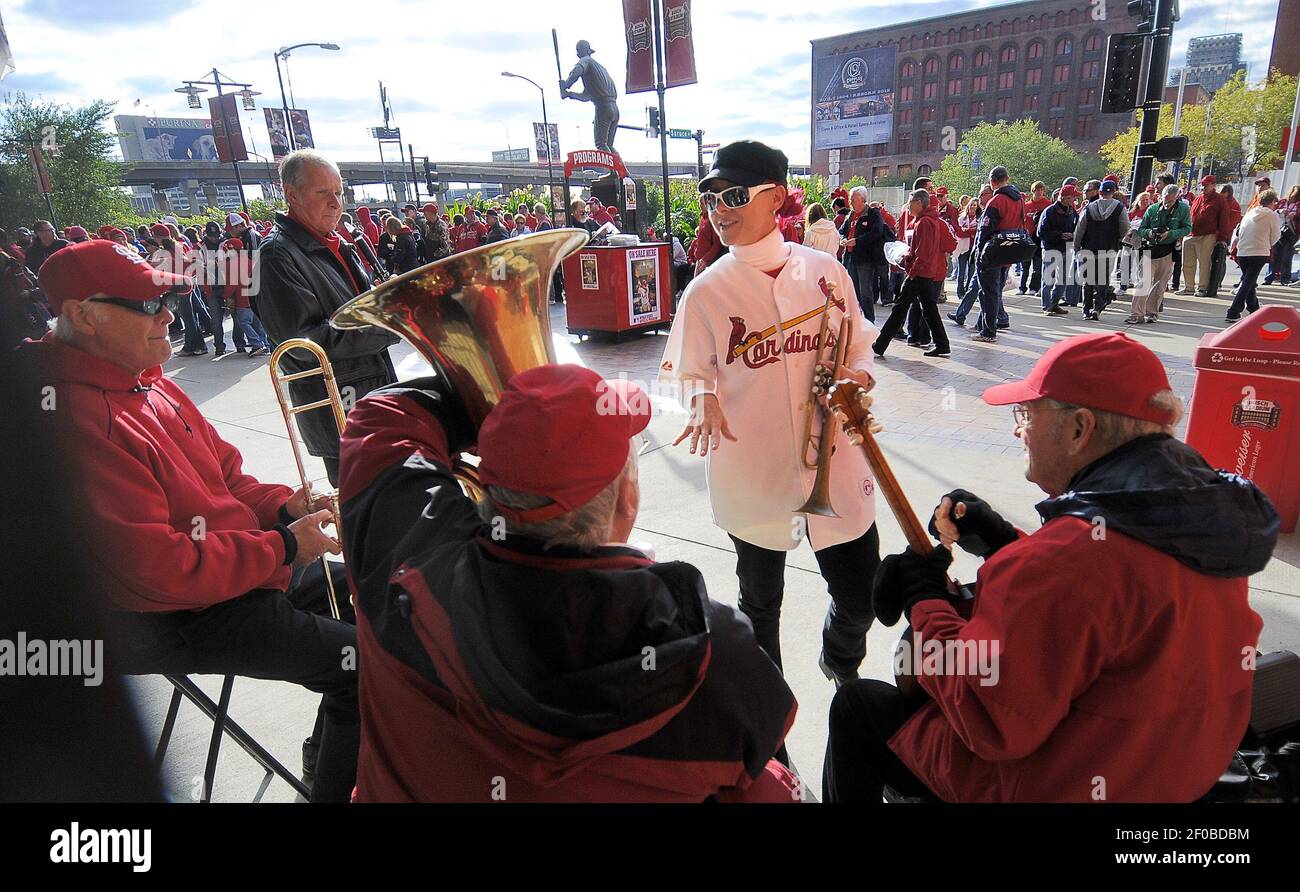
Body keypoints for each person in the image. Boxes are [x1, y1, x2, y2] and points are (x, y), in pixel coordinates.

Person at [824, 331, 1276, 802]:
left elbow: (988, 718)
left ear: (1080, 429)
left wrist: (925, 600)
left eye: (1026, 415)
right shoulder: (1197, 517)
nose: (1017, 430)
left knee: (857, 707)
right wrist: (1002, 543)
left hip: (1072, 782)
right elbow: (1098, 600)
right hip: (1173, 767)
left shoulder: (1063, 562)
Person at [338, 363, 798, 801]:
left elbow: (382, 415)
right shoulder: (715, 647)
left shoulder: (405, 549)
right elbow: (760, 777)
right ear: (628, 500)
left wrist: (516, 422)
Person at [20, 240, 361, 801]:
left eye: (167, 299)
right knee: (363, 671)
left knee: (376, 597)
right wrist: (280, 547)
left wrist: (286, 507)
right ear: (82, 314)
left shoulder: (151, 380)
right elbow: (160, 571)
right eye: (146, 304)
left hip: (230, 576)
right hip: (168, 616)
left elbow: (229, 480)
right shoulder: (73, 416)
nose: (168, 315)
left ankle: (331, 757)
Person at [659, 140, 882, 687]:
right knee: (760, 606)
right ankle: (771, 723)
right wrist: (702, 398)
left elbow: (860, 351)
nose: (719, 208)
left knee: (861, 597)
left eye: (734, 194)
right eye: (710, 196)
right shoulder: (705, 290)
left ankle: (840, 658)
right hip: (752, 466)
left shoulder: (827, 271)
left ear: (777, 198)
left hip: (838, 460)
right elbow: (686, 371)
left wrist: (858, 377)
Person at [254, 149, 399, 487]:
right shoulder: (275, 256)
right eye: (323, 193)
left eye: (339, 192)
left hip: (369, 397)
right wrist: (389, 325)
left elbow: (354, 312)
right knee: (369, 510)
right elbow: (302, 346)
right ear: (292, 195)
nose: (336, 203)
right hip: (340, 411)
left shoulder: (337, 244)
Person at [872, 189, 954, 358]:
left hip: (920, 273)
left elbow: (923, 253)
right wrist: (909, 258)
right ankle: (942, 344)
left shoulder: (924, 222)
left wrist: (912, 270)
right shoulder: (930, 221)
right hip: (925, 272)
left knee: (900, 308)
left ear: (918, 203)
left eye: (910, 203)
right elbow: (922, 250)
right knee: (928, 310)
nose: (908, 207)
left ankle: (880, 345)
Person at [971, 166, 1026, 343]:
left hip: (992, 253)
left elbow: (985, 230)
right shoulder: (1019, 200)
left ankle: (988, 331)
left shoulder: (996, 201)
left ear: (992, 181)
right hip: (1007, 252)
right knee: (992, 292)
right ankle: (984, 326)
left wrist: (980, 253)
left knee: (989, 292)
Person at [1130, 184, 1191, 324]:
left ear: (1177, 198)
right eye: (1164, 199)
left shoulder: (1183, 209)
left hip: (1168, 251)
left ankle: (1151, 313)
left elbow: (1187, 228)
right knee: (1142, 282)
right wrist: (1150, 233)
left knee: (1160, 285)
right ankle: (1136, 313)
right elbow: (1142, 228)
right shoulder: (1152, 209)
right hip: (1150, 249)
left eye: (1170, 201)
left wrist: (1171, 234)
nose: (1166, 203)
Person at [1073, 179, 1129, 321]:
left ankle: (1086, 309)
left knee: (1088, 280)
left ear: (1100, 192)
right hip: (1109, 248)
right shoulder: (1119, 208)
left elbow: (1080, 229)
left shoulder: (1089, 208)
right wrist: (1119, 240)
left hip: (1089, 247)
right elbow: (1125, 229)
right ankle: (1097, 308)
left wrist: (1076, 245)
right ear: (1113, 192)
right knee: (1103, 279)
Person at [1226, 189, 1282, 323]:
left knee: (1248, 281)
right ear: (1272, 202)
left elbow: (1241, 231)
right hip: (1259, 251)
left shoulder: (1250, 213)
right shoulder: (1272, 215)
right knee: (1247, 282)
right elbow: (1276, 235)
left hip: (1243, 252)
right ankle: (1233, 311)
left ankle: (1253, 307)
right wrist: (1267, 244)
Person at [560, 39, 620, 154]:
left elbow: (576, 71)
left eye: (579, 51)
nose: (578, 54)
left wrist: (566, 84)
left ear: (582, 51)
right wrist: (569, 94)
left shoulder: (586, 61)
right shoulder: (598, 70)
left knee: (601, 144)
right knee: (609, 145)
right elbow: (585, 96)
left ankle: (614, 171)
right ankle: (622, 172)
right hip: (614, 109)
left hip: (603, 107)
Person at [837, 187, 888, 323]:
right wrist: (843, 238)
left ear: (862, 199)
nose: (851, 202)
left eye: (853, 199)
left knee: (865, 291)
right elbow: (842, 230)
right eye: (851, 199)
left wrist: (857, 241)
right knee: (853, 292)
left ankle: (869, 320)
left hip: (865, 259)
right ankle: (856, 319)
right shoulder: (850, 215)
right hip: (850, 258)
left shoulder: (872, 214)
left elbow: (876, 232)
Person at [1178, 175, 1228, 296]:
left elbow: (1224, 220)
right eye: (1202, 185)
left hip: (1208, 235)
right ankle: (1189, 286)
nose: (1203, 187)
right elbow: (1191, 215)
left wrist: (1221, 238)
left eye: (1206, 185)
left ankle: (1202, 287)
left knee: (1204, 263)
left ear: (1213, 185)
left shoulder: (1220, 200)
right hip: (1192, 233)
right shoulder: (1198, 199)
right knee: (1187, 262)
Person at [221, 238, 271, 355]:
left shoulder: (231, 264)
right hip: (256, 297)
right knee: (257, 324)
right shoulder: (250, 261)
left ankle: (257, 344)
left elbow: (231, 284)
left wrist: (227, 296)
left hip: (243, 298)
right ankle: (265, 345)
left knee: (243, 322)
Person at [1036, 184, 1080, 317]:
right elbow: (1041, 232)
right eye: (1073, 197)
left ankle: (1054, 303)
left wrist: (1073, 235)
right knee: (1048, 279)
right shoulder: (1049, 211)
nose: (1074, 200)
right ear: (1066, 197)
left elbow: (1077, 227)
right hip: (1051, 248)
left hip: (1067, 248)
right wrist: (1060, 235)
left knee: (1063, 279)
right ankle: (1046, 306)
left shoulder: (1072, 211)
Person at [1018, 181, 1051, 294]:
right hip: (1027, 237)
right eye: (1037, 189)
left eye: (1042, 189)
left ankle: (1034, 287)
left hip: (1039, 237)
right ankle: (1022, 287)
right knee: (1024, 265)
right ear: (1033, 190)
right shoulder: (1026, 205)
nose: (1039, 192)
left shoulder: (1048, 204)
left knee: (1037, 265)